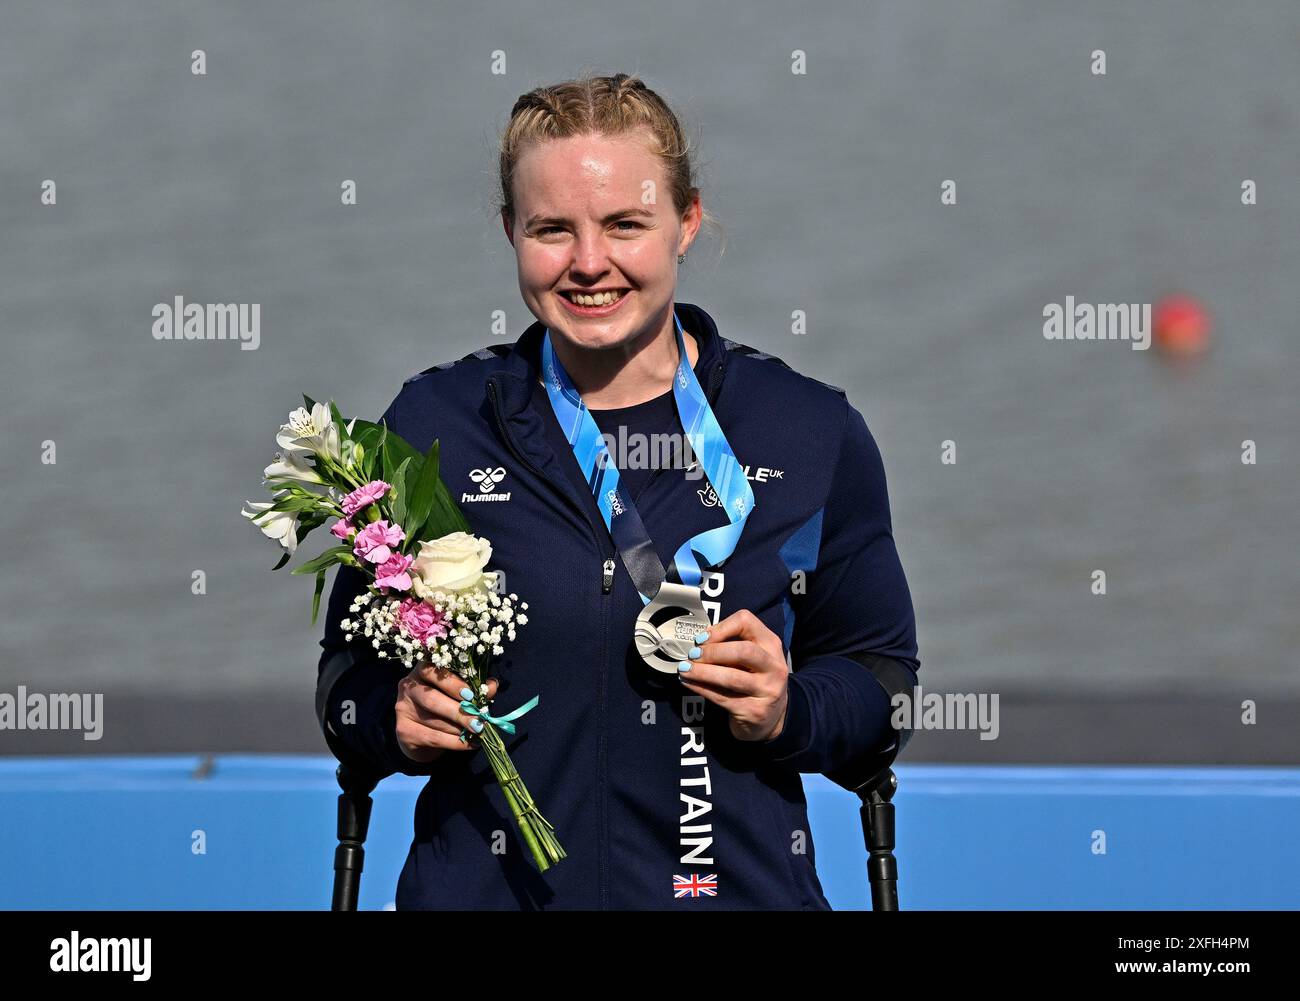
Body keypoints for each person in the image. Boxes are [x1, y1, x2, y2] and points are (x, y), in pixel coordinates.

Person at [315, 72, 920, 911]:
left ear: (687, 222)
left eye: (625, 225)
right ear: (509, 231)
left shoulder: (806, 430)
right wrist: (395, 718)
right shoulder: (434, 422)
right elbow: (343, 685)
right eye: (551, 229)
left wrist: (790, 708)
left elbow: (883, 694)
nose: (589, 263)